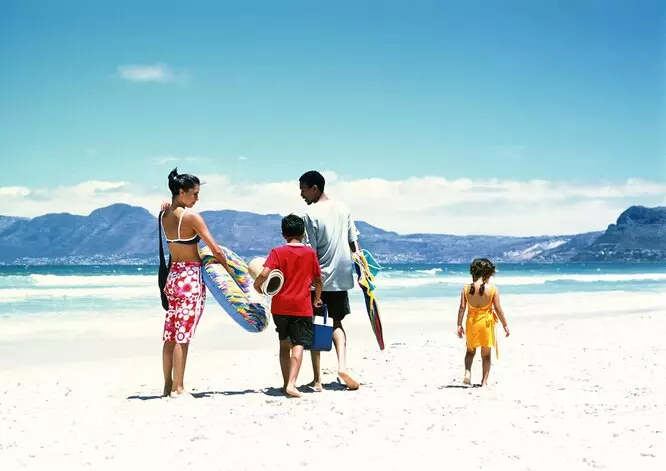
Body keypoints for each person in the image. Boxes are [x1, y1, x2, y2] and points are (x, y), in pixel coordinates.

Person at [158, 168, 230, 399]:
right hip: (190, 279)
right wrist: (230, 272)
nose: (197, 199)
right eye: (195, 194)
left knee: (170, 335)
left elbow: (166, 209)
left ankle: (167, 386)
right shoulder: (192, 218)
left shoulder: (164, 216)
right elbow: (215, 249)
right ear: (181, 192)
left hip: (173, 278)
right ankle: (179, 388)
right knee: (183, 336)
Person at [298, 170, 361, 391]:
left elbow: (311, 252)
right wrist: (362, 271)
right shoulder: (343, 207)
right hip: (342, 276)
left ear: (314, 188)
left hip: (320, 278)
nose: (302, 195)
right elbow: (354, 243)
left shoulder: (309, 214)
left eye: (303, 190)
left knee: (316, 324)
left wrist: (307, 281)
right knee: (336, 322)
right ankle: (342, 365)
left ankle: (317, 380)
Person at [253, 214, 323, 398]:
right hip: (302, 306)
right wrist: (317, 298)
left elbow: (265, 272)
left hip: (280, 307)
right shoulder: (310, 253)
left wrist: (257, 285)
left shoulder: (277, 252)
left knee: (284, 344)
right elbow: (318, 279)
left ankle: (286, 384)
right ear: (303, 233)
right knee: (298, 344)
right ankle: (292, 383)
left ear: (283, 234)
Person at [456, 258, 510, 387]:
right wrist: (505, 325)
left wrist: (459, 325)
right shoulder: (492, 289)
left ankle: (467, 373)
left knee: (470, 352)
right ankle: (484, 382)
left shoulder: (466, 289)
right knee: (486, 355)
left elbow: (462, 308)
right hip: (486, 324)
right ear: (487, 273)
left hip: (471, 323)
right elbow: (498, 308)